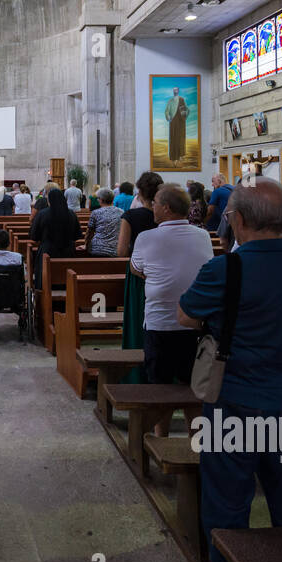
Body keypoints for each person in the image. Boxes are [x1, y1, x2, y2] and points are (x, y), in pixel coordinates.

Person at [177, 177, 282, 562]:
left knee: (226, 509)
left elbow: (186, 315)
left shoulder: (227, 269)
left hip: (234, 406)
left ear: (238, 220)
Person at [130, 184, 213, 430]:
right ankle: (196, 443)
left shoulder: (147, 237)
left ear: (165, 208)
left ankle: (160, 440)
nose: (152, 206)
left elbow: (136, 268)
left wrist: (158, 278)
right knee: (193, 387)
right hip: (195, 324)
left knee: (160, 389)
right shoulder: (203, 235)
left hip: (160, 325)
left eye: (155, 202)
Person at [116, 172, 164, 385]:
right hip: (163, 270)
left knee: (138, 319)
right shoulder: (165, 216)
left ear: (140, 193)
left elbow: (121, 251)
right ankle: (162, 371)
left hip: (139, 273)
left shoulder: (131, 217)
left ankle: (137, 374)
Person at [29, 187, 80, 289]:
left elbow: (34, 236)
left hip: (47, 251)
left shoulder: (42, 214)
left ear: (50, 200)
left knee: (45, 275)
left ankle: (43, 293)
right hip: (67, 251)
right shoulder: (71, 214)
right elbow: (77, 235)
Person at [85, 188, 122, 256]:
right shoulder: (121, 212)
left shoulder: (96, 213)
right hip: (116, 249)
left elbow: (89, 233)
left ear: (101, 199)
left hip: (98, 250)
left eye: (98, 198)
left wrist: (86, 246)